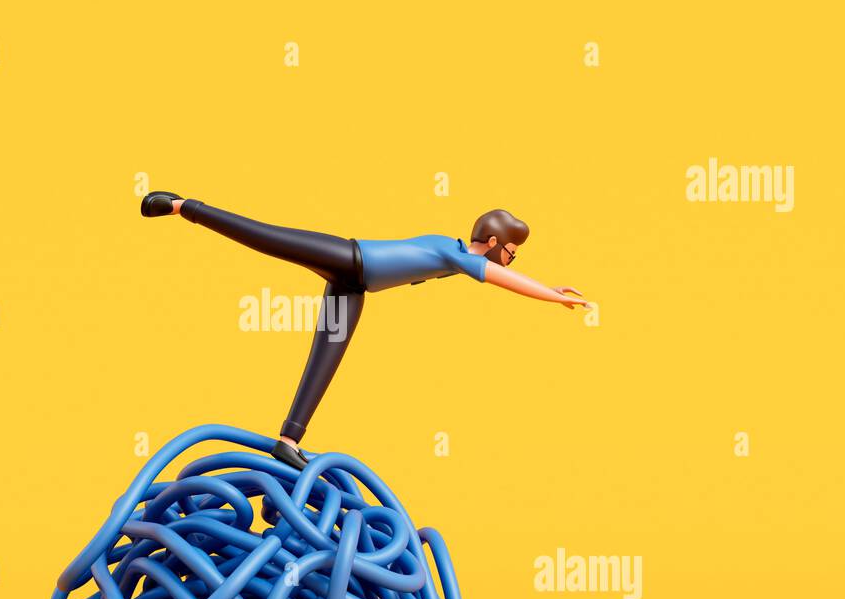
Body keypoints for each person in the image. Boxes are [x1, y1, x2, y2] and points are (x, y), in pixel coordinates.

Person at [142, 191, 590, 469]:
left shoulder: (456, 256)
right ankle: (183, 205)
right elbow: (501, 279)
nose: (513, 259)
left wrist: (548, 287)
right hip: (347, 257)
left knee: (326, 359)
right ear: (492, 244)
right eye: (512, 250)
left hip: (355, 286)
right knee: (264, 235)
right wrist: (553, 296)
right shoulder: (459, 255)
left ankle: (287, 440)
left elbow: (500, 274)